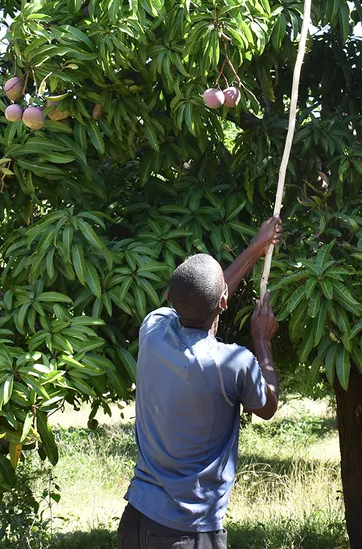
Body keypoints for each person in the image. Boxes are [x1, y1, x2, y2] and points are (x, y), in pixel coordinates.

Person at [118, 216, 283, 549]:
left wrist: (255, 248)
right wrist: (262, 340)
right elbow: (267, 405)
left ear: (168, 295)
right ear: (223, 302)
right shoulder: (231, 364)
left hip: (135, 521)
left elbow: (203, 298)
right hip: (186, 532)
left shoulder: (153, 329)